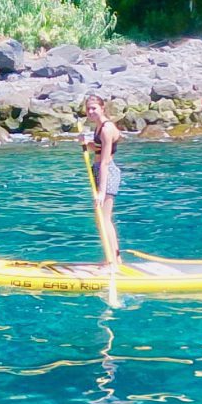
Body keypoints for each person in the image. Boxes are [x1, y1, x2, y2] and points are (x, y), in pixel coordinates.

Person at [83, 97, 122, 272]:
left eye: (94, 108)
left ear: (102, 108)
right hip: (99, 170)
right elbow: (98, 150)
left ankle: (112, 263)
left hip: (108, 173)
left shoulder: (107, 129)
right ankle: (115, 258)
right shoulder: (98, 127)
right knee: (102, 220)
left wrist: (101, 191)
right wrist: (86, 144)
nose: (91, 112)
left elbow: (106, 161)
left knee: (104, 219)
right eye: (88, 109)